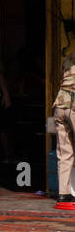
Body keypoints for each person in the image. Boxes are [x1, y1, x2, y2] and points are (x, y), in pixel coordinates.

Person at [51, 54, 75, 210]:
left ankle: (64, 193)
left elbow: (60, 77)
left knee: (64, 152)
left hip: (60, 105)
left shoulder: (68, 57)